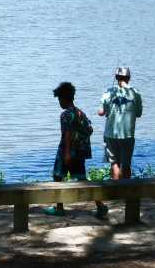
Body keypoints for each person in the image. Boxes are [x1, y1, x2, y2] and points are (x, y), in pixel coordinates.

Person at [45, 81, 108, 218]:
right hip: (80, 153)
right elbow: (90, 130)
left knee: (58, 176)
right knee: (82, 180)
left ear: (63, 98)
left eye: (59, 99)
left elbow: (66, 135)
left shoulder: (65, 115)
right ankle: (100, 205)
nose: (59, 102)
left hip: (66, 152)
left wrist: (67, 154)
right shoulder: (81, 113)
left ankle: (59, 208)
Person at [97, 66, 142, 180]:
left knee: (114, 164)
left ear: (116, 77)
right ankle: (126, 192)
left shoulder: (109, 92)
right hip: (128, 134)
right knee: (126, 166)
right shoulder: (135, 93)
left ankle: (115, 191)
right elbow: (138, 114)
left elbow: (101, 112)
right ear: (129, 78)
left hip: (111, 134)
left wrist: (106, 109)